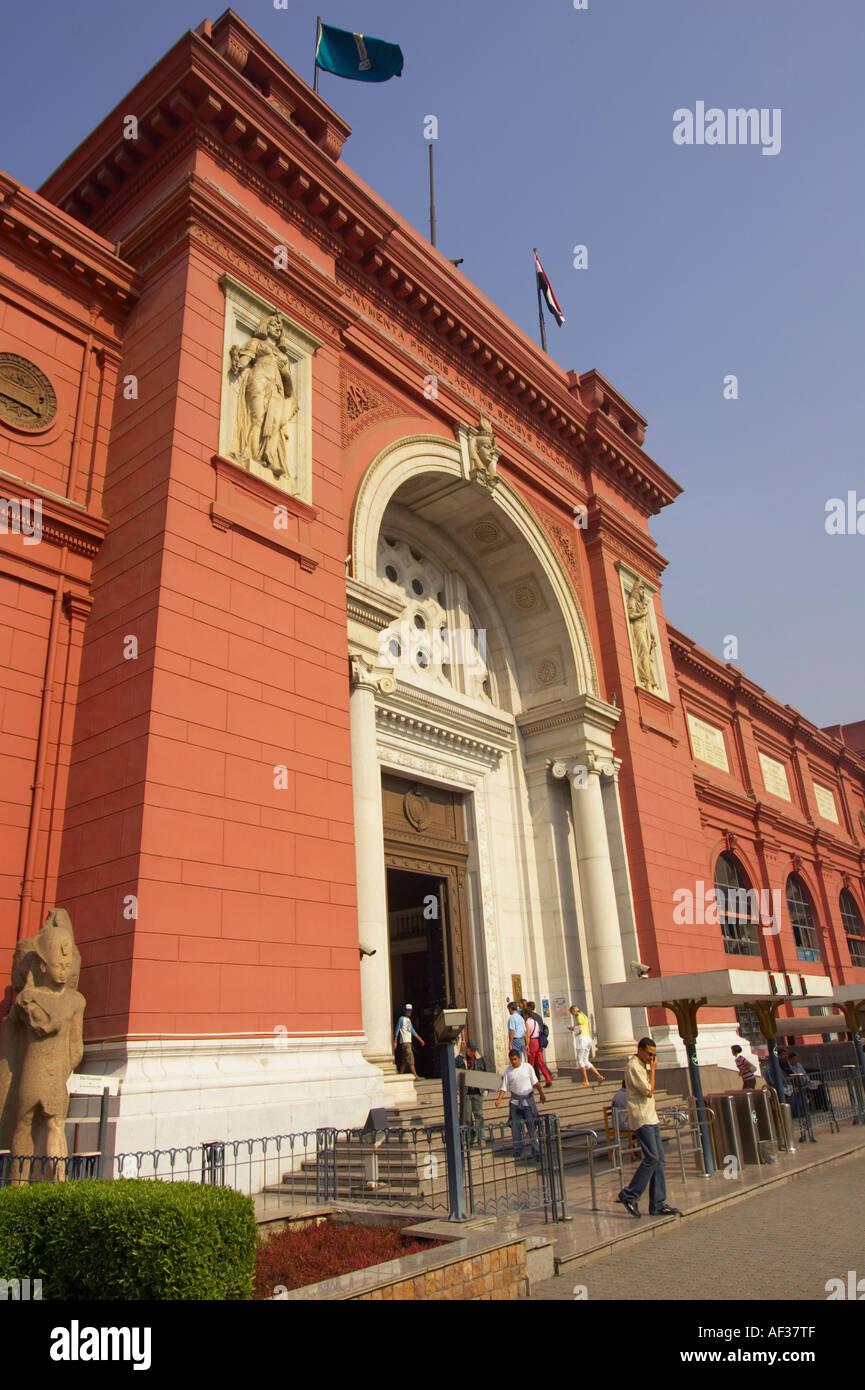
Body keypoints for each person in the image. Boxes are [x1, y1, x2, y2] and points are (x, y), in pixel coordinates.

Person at [616, 1037, 680, 1218]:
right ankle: (629, 1194)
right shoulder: (634, 1067)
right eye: (649, 1054)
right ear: (640, 1050)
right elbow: (649, 1090)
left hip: (651, 1116)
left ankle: (658, 1203)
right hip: (641, 1118)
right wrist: (653, 1070)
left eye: (654, 1055)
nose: (652, 1058)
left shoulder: (642, 1065)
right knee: (652, 1158)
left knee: (660, 1160)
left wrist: (650, 1068)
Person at [496, 1048, 546, 1160]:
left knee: (532, 1127)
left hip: (527, 1101)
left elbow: (535, 1082)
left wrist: (541, 1094)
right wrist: (499, 1099)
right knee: (516, 1127)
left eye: (515, 1059)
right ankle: (518, 1149)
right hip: (515, 1102)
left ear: (519, 1058)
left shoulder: (527, 1067)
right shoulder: (508, 1071)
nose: (513, 1062)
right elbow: (504, 1087)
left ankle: (536, 1150)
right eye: (511, 1060)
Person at [455, 1040, 488, 1143]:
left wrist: (485, 1088)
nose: (472, 1053)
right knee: (467, 1117)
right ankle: (470, 1136)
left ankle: (481, 1138)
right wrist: (457, 1087)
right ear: (467, 1049)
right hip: (466, 1092)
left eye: (474, 1050)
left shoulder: (480, 1059)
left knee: (479, 1115)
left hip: (477, 1092)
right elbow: (454, 1073)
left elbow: (485, 1073)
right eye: (471, 1050)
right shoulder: (460, 1060)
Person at [567, 1004, 605, 1087]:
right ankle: (599, 1076)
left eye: (571, 1013)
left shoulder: (578, 1017)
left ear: (573, 1011)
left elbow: (580, 1030)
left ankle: (586, 1081)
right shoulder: (584, 1016)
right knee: (586, 1060)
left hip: (582, 1040)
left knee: (580, 1061)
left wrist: (572, 1029)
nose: (572, 1015)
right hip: (588, 1038)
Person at [524, 1004, 552, 1087]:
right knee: (540, 1063)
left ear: (526, 1014)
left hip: (532, 1042)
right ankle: (548, 1079)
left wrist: (527, 1044)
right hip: (538, 1042)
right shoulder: (535, 1022)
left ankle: (532, 1082)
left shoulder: (528, 1022)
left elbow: (527, 1035)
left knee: (531, 1063)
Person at [393, 1004, 424, 1078]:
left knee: (405, 1059)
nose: (409, 1012)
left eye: (410, 1011)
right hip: (405, 1042)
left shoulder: (409, 1020)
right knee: (410, 1058)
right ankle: (415, 1075)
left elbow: (413, 1031)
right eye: (408, 1011)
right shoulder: (401, 1019)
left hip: (408, 1041)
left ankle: (401, 1073)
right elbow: (397, 1030)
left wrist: (420, 1040)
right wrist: (395, 1042)